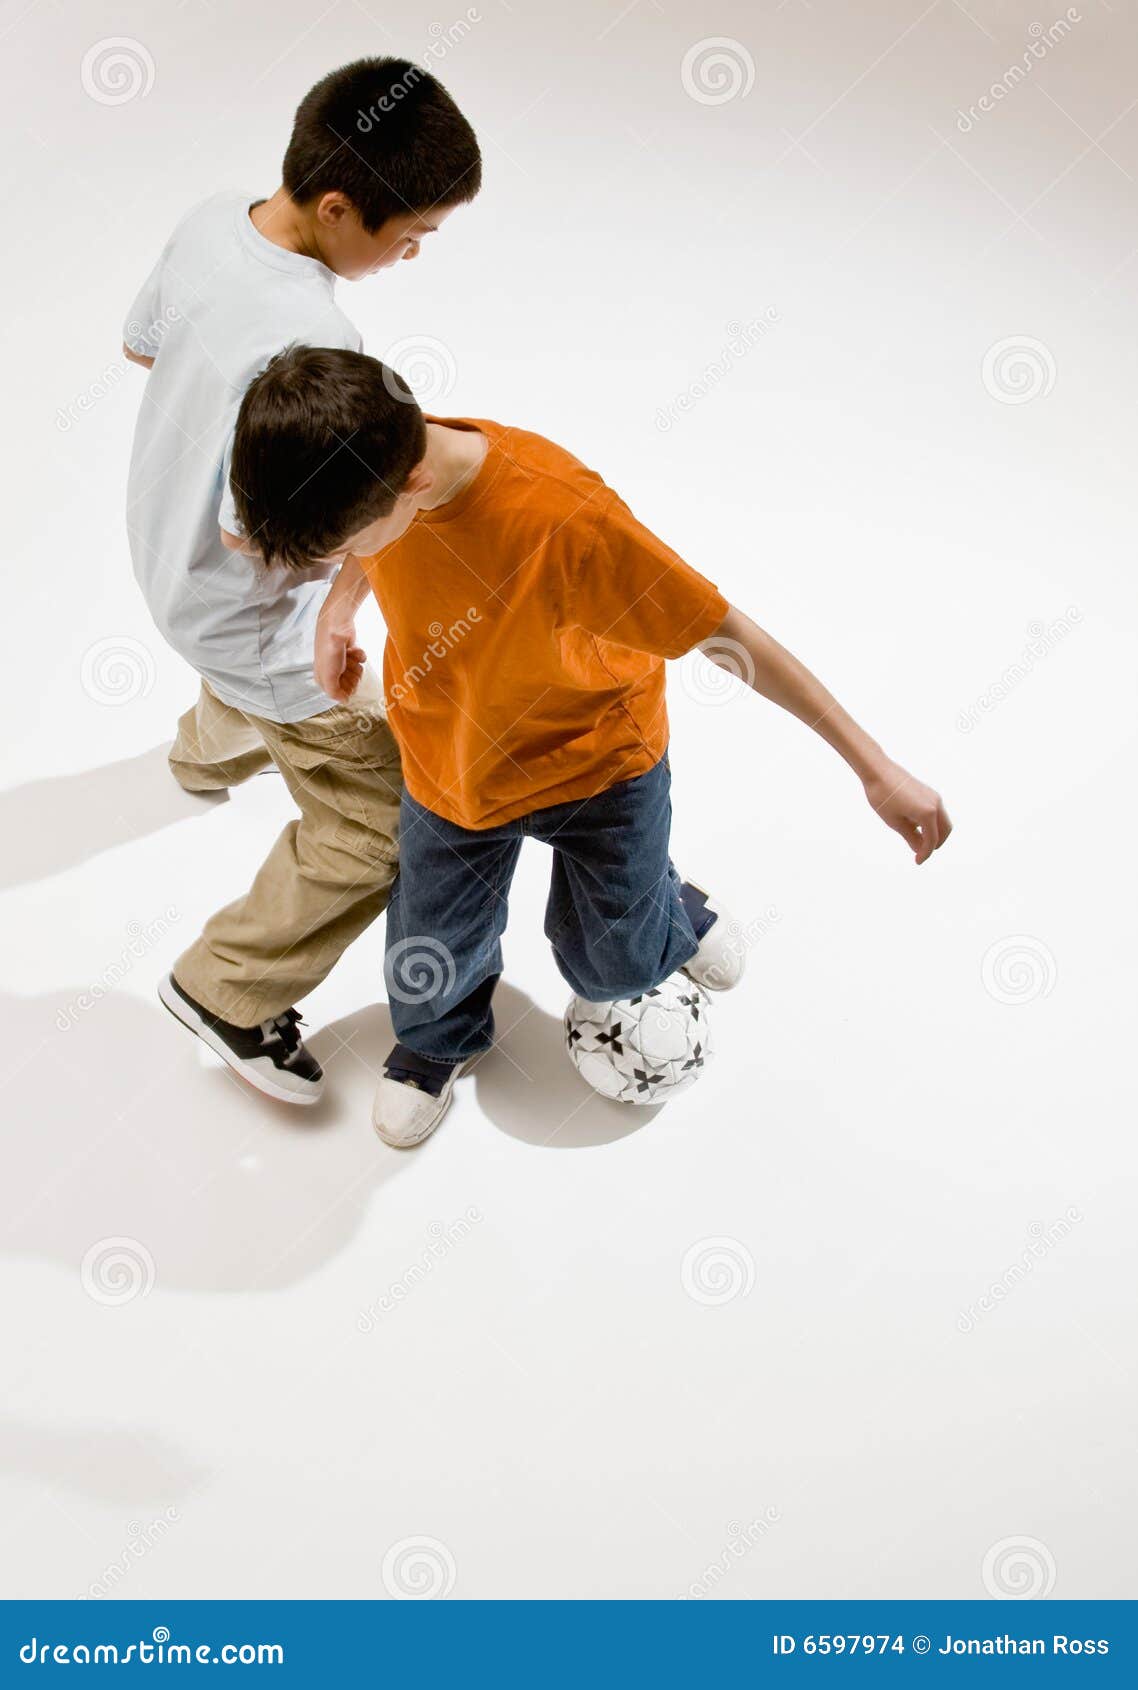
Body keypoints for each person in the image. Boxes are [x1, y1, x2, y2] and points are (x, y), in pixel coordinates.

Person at [227, 346, 952, 1145]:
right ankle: (436, 1048)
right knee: (426, 955)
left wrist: (875, 770)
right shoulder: (376, 450)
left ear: (415, 485)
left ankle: (668, 908)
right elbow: (369, 539)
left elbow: (733, 637)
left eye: (346, 545)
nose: (347, 559)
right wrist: (338, 613)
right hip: (451, 760)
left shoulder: (569, 522)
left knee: (615, 965)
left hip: (597, 762)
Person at [121, 59, 481, 1104]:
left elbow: (143, 349)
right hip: (244, 612)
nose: (411, 253)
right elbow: (263, 538)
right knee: (379, 823)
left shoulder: (207, 222)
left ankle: (202, 755)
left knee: (227, 670)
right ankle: (227, 989)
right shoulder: (320, 339)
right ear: (338, 207)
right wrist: (381, 535)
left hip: (157, 555)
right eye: (409, 234)